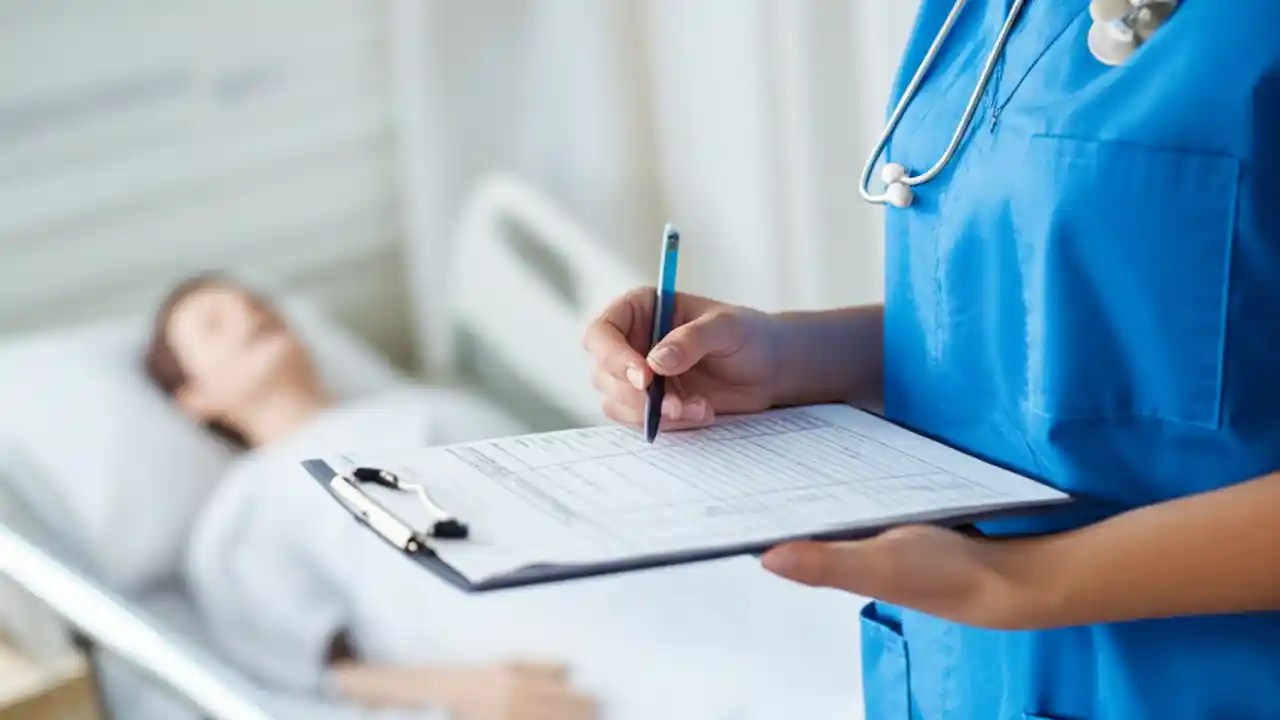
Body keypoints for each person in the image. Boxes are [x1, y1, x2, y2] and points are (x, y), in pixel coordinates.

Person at [583, 2, 1280, 718]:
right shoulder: (981, 17)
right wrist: (792, 359)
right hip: (961, 673)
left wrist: (1015, 583)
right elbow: (1074, 323)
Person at [145, 276, 860, 720]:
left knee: (835, 623)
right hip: (520, 621)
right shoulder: (245, 508)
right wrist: (464, 691)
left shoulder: (423, 404)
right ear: (195, 398)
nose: (246, 315)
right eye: (215, 323)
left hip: (651, 548)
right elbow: (309, 675)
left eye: (252, 302)